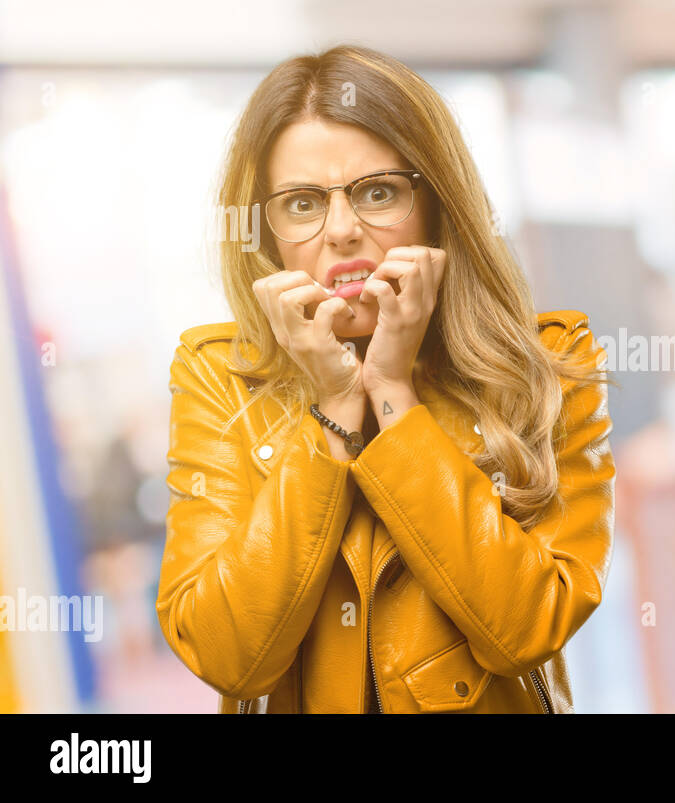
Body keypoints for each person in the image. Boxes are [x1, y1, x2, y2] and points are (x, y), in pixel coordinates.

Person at [157, 45, 616, 713]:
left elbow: (526, 628)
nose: (342, 231)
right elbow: (230, 656)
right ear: (267, 231)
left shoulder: (546, 365)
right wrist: (336, 408)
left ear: (436, 204)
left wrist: (394, 394)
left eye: (378, 192)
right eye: (303, 203)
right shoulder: (217, 375)